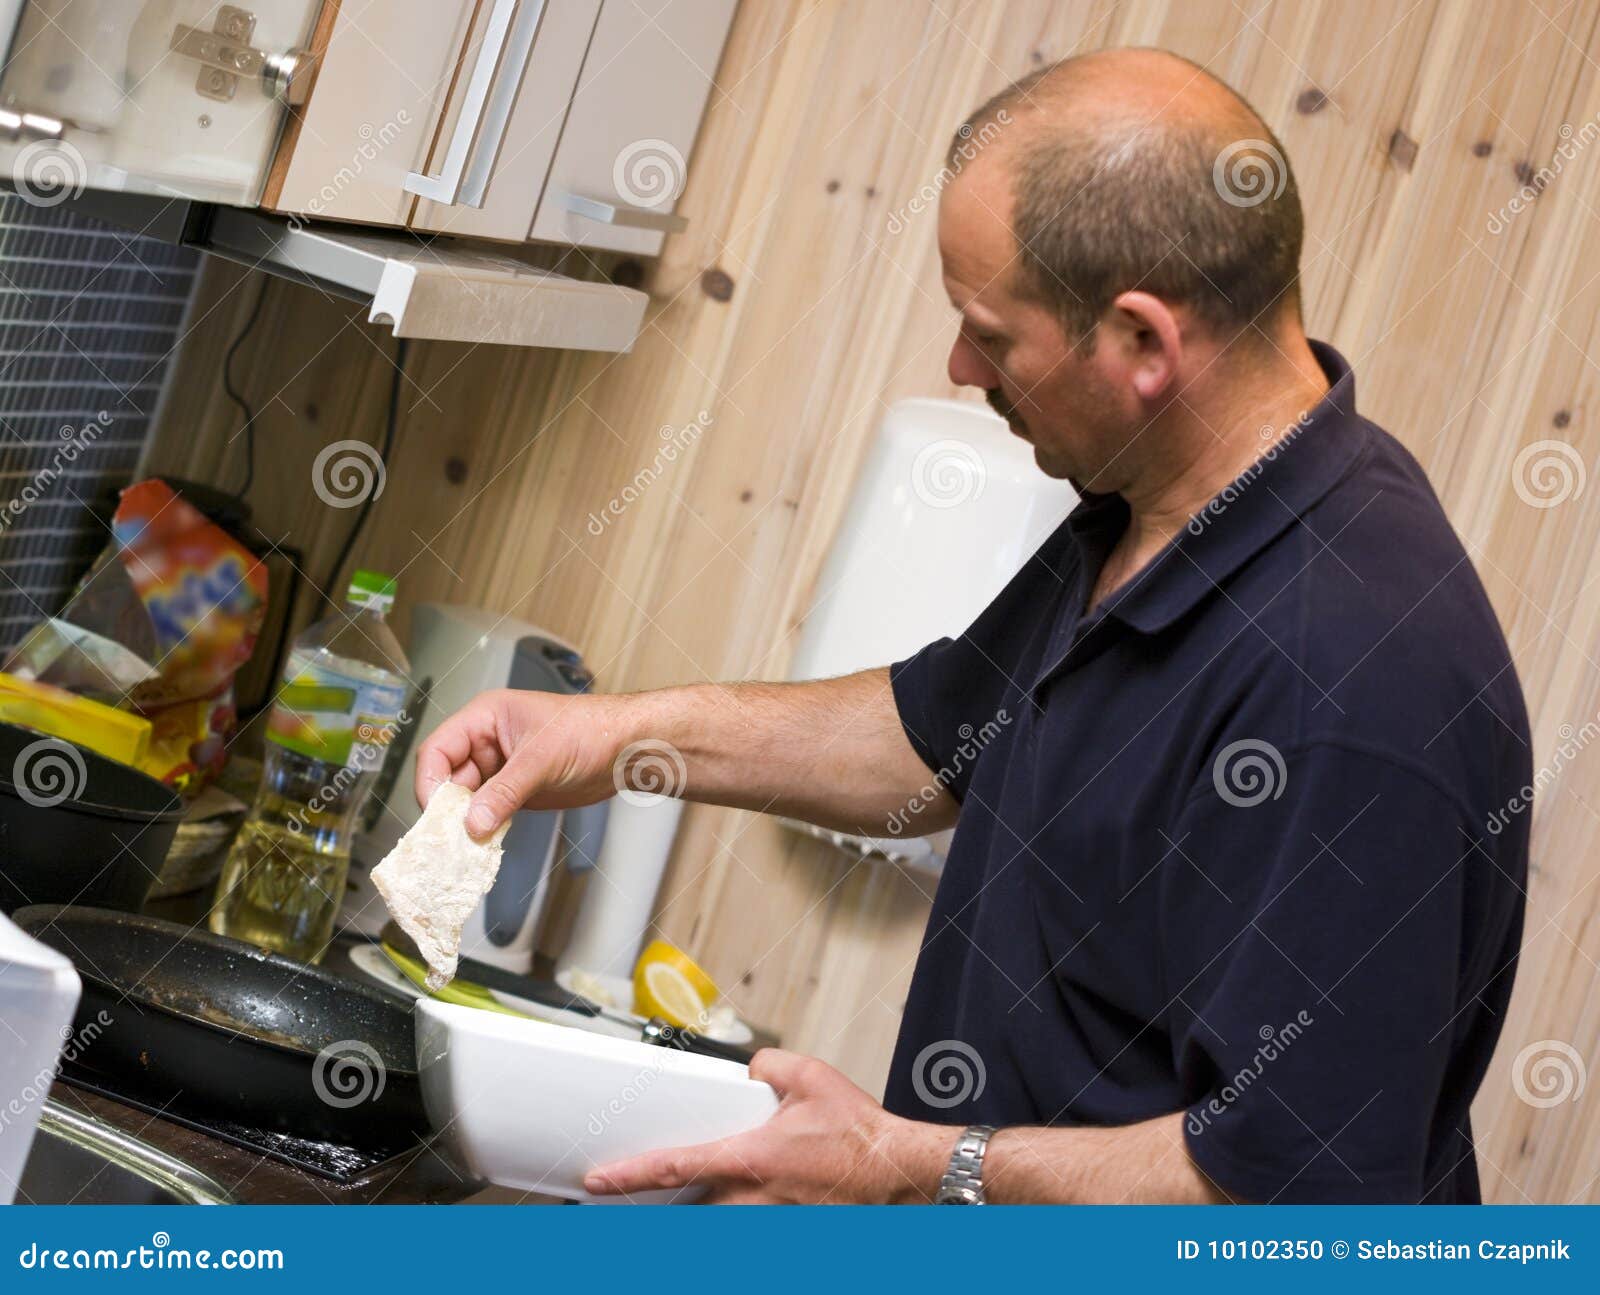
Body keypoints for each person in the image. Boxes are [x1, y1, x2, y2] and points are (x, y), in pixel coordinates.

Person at [415, 48, 1530, 1204]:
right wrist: (613, 737)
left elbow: (1290, 1199)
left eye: (991, 335)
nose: (959, 366)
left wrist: (906, 1161)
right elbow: (935, 738)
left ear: (1143, 344)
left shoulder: (1355, 673)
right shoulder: (1153, 502)